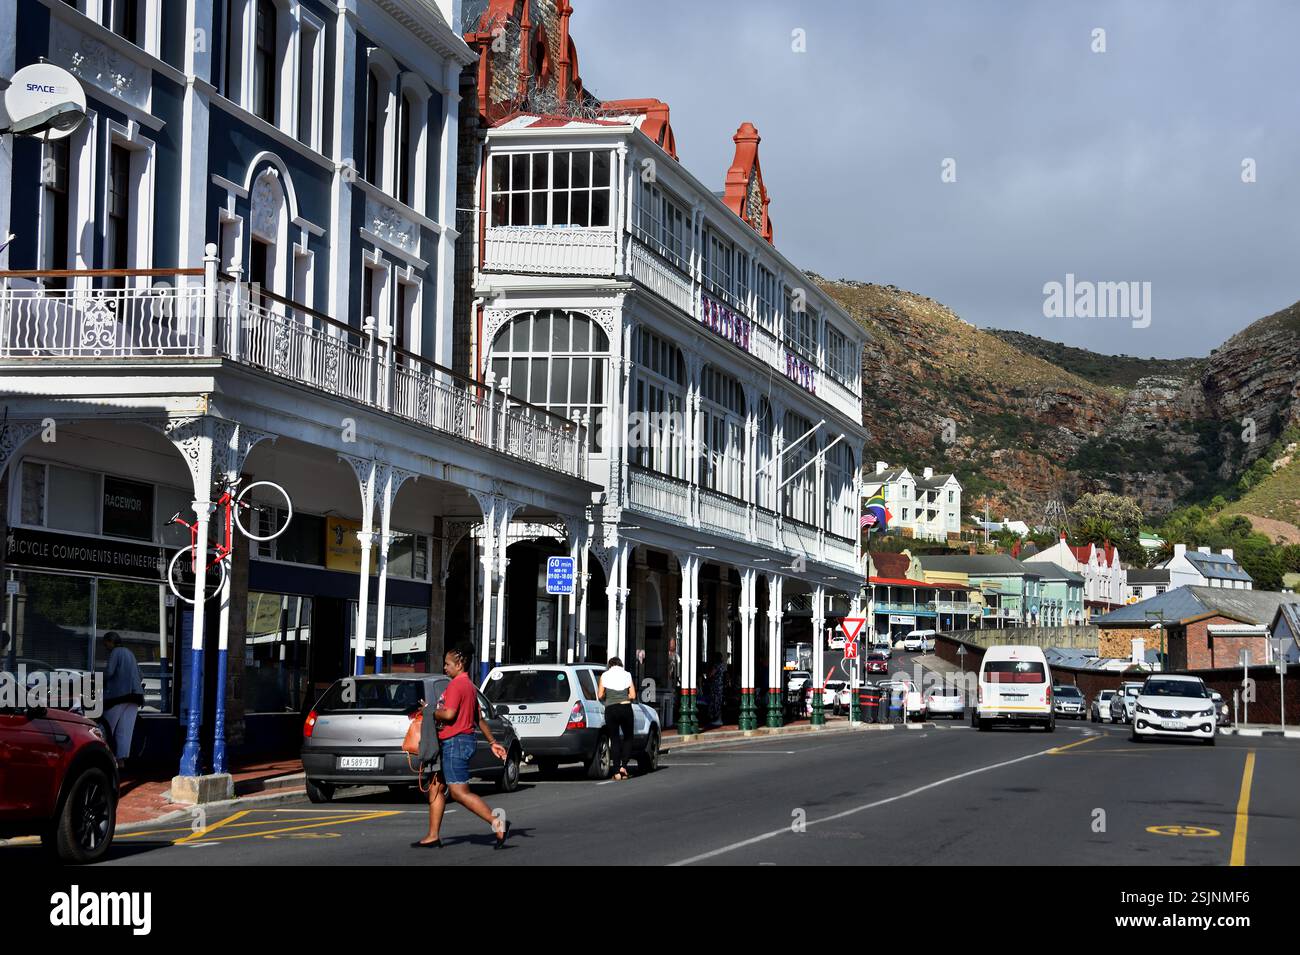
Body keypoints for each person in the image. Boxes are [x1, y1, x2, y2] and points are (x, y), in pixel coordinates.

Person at [412, 645, 511, 850]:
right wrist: (493, 743)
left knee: (458, 792)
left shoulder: (457, 685)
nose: (445, 668)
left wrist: (430, 710)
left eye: (447, 664)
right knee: (436, 787)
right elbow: (478, 718)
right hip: (456, 741)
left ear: (459, 663)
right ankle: (433, 836)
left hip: (455, 742)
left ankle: (498, 823)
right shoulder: (468, 685)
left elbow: (449, 715)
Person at [101, 632, 144, 766]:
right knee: (125, 731)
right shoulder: (130, 653)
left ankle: (101, 756)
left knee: (106, 727)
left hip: (118, 696)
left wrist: (97, 678)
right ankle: (121, 760)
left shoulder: (115, 652)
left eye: (105, 643)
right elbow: (141, 674)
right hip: (135, 697)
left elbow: (109, 672)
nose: (105, 647)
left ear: (110, 641)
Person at [597, 656, 636, 780]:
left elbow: (600, 695)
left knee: (614, 739)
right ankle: (624, 767)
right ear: (620, 665)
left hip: (611, 709)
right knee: (628, 737)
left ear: (610, 665)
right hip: (625, 708)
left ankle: (616, 771)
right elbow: (633, 695)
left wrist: (608, 697)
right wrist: (623, 696)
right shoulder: (627, 675)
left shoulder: (604, 675)